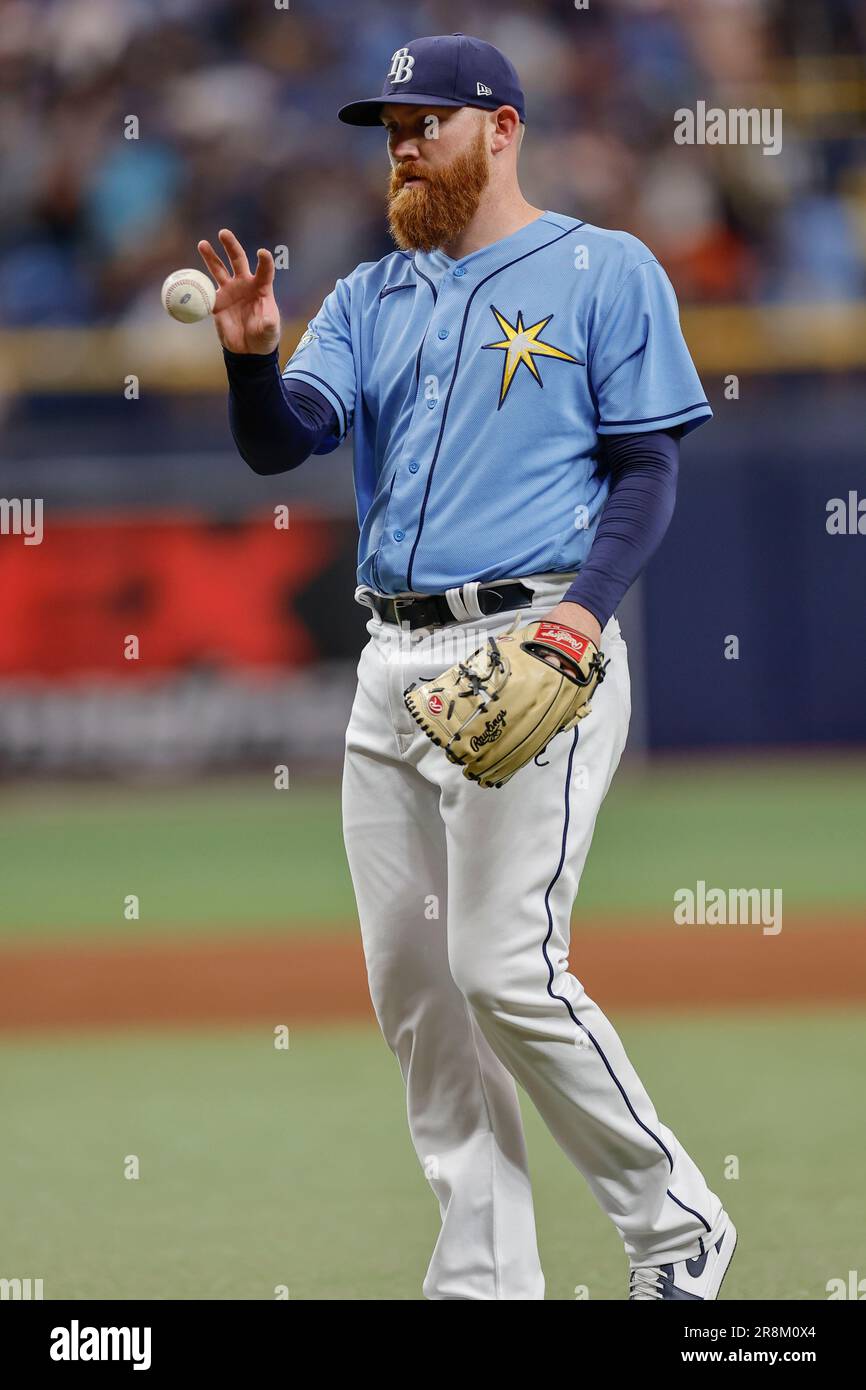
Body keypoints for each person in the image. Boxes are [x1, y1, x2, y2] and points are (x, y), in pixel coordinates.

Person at [201, 32, 737, 1302]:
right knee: (421, 1001)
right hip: (391, 660)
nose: (401, 143)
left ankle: (676, 1228)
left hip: (534, 636)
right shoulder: (368, 294)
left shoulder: (602, 269)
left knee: (502, 967)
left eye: (425, 120)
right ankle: (483, 1279)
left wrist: (581, 620)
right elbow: (284, 447)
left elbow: (647, 469)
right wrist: (246, 356)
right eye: (388, 125)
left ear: (498, 127)